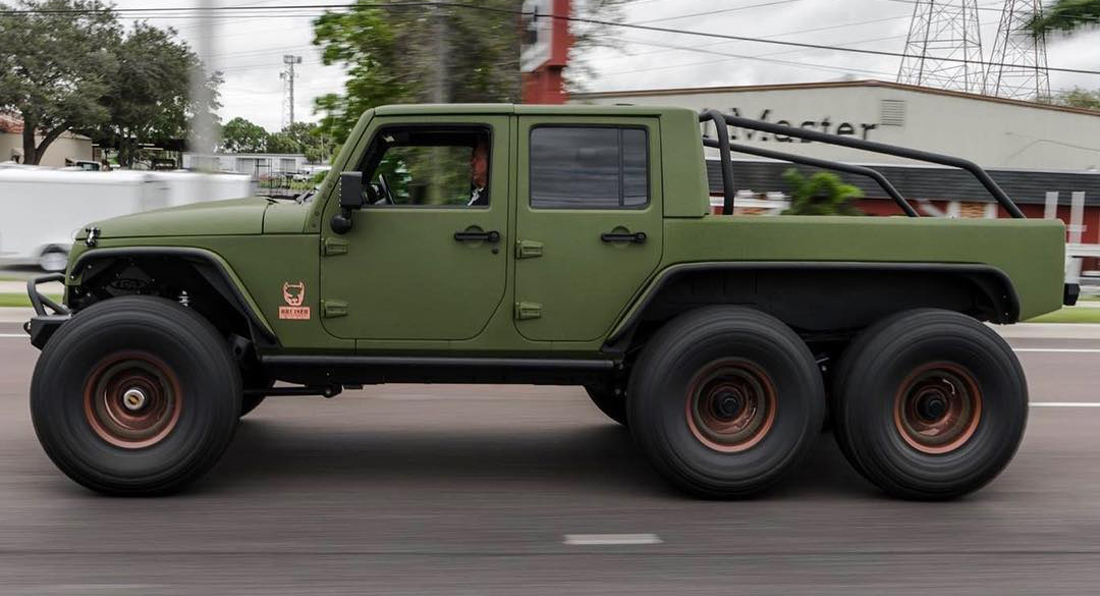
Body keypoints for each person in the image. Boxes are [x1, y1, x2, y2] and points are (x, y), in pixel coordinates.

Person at [466, 138, 489, 207]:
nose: (472, 162)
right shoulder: (478, 194)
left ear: (489, 161)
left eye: (477, 157)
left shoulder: (489, 199)